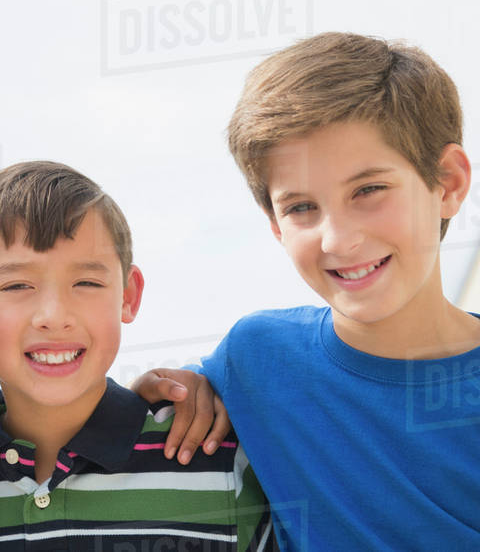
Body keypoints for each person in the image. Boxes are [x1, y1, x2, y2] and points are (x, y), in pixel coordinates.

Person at [136, 32, 480, 549]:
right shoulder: (255, 357)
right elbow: (173, 395)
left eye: (368, 190)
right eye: (301, 207)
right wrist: (164, 388)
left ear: (448, 183)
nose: (339, 239)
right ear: (275, 224)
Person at [0, 161, 276, 552]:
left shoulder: (219, 463)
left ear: (128, 295)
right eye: (16, 285)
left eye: (86, 282)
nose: (54, 316)